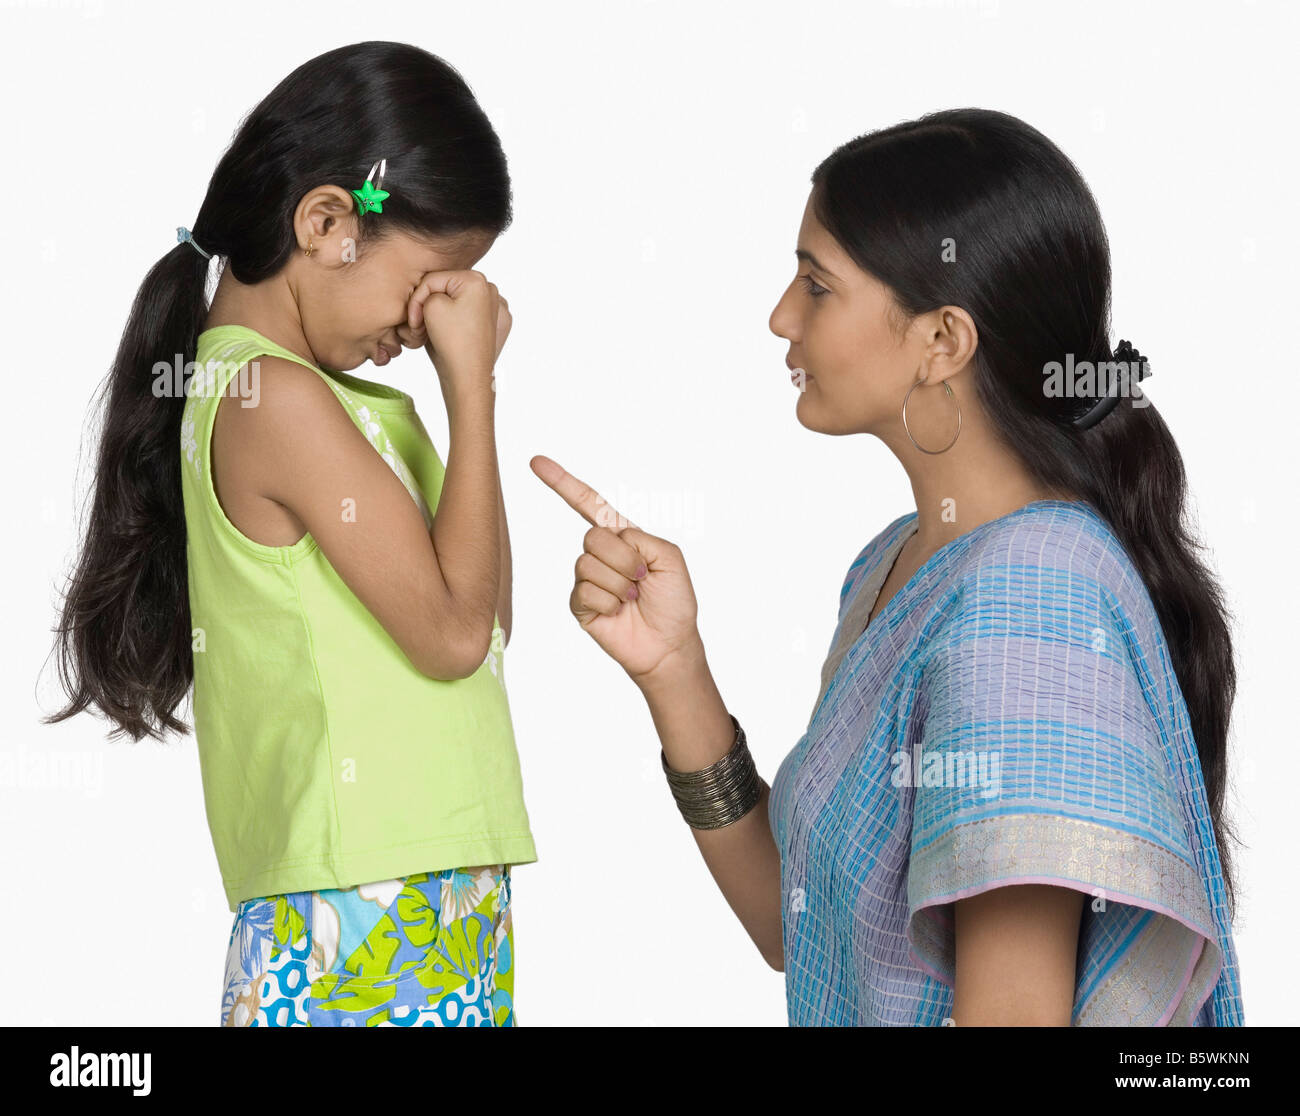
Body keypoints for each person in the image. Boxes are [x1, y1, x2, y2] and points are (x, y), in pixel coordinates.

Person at [533, 107, 1244, 1026]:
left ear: (942, 341)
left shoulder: (1029, 604)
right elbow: (797, 927)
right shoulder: (899, 564)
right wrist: (675, 671)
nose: (781, 316)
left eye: (816, 285)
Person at [45, 41, 535, 1026]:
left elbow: (482, 620)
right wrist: (471, 395)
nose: (435, 317)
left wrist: (456, 404)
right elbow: (448, 637)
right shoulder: (270, 397)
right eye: (434, 277)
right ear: (326, 223)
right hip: (356, 903)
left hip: (427, 896)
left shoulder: (340, 403)